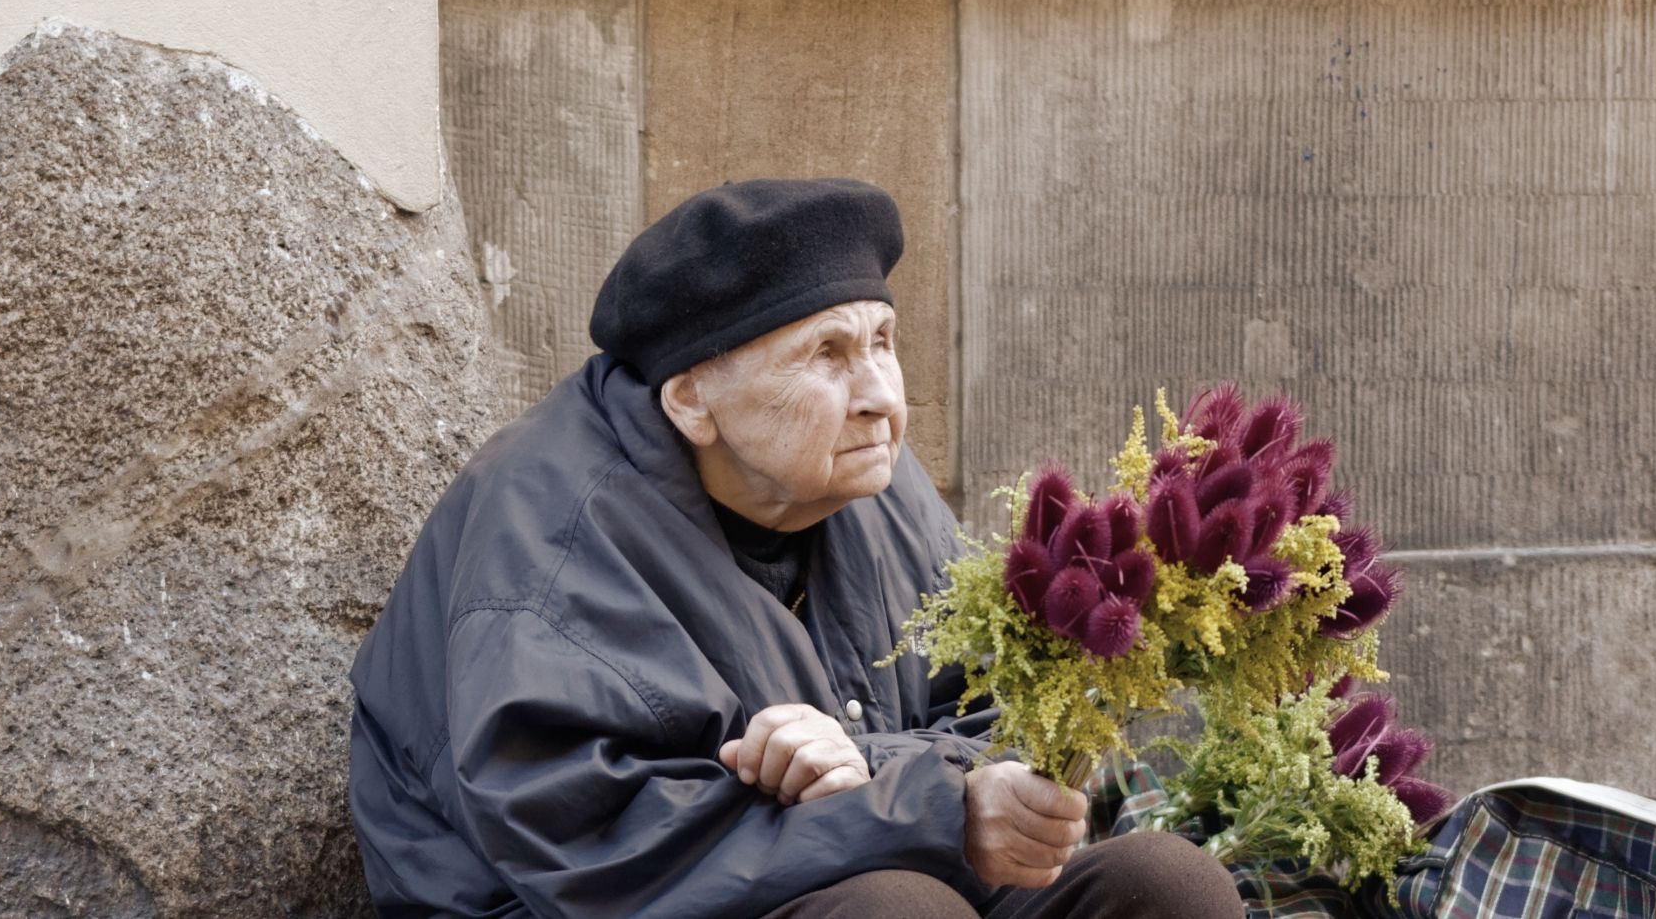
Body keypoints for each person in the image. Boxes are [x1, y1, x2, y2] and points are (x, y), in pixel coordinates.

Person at [348, 178, 1243, 918]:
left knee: (1164, 888)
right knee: (898, 916)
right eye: (827, 354)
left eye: (883, 343)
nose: (880, 395)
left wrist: (882, 775)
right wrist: (913, 803)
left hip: (831, 863)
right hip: (587, 901)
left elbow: (987, 712)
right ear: (693, 400)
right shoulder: (550, 532)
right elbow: (589, 843)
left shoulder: (869, 476)